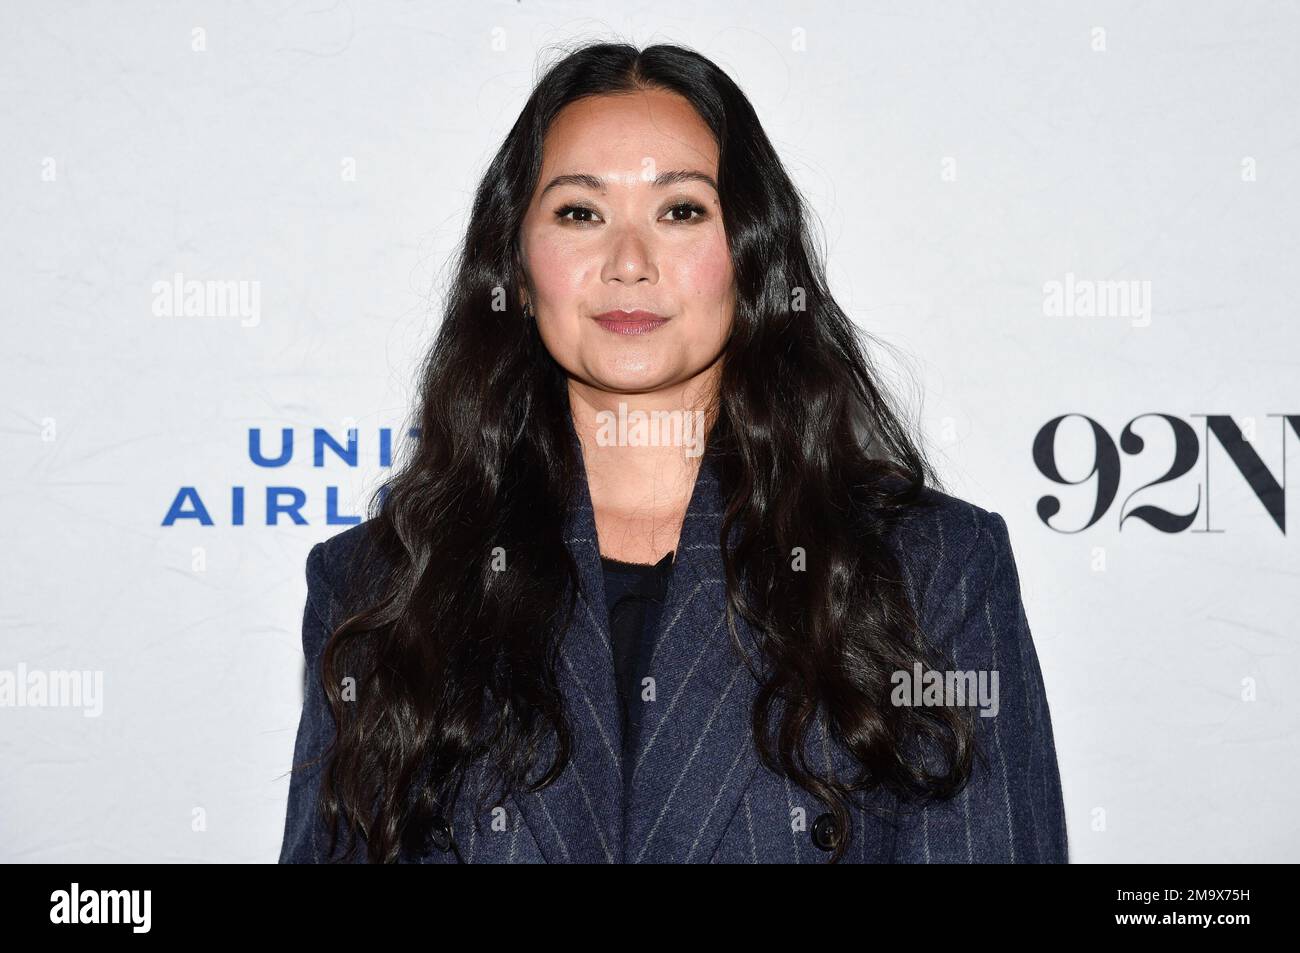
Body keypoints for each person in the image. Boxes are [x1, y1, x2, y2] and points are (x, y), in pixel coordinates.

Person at [278, 41, 1068, 864]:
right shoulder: (385, 587)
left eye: (680, 210)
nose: (628, 264)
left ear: (751, 252)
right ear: (516, 258)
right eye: (580, 213)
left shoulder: (928, 570)